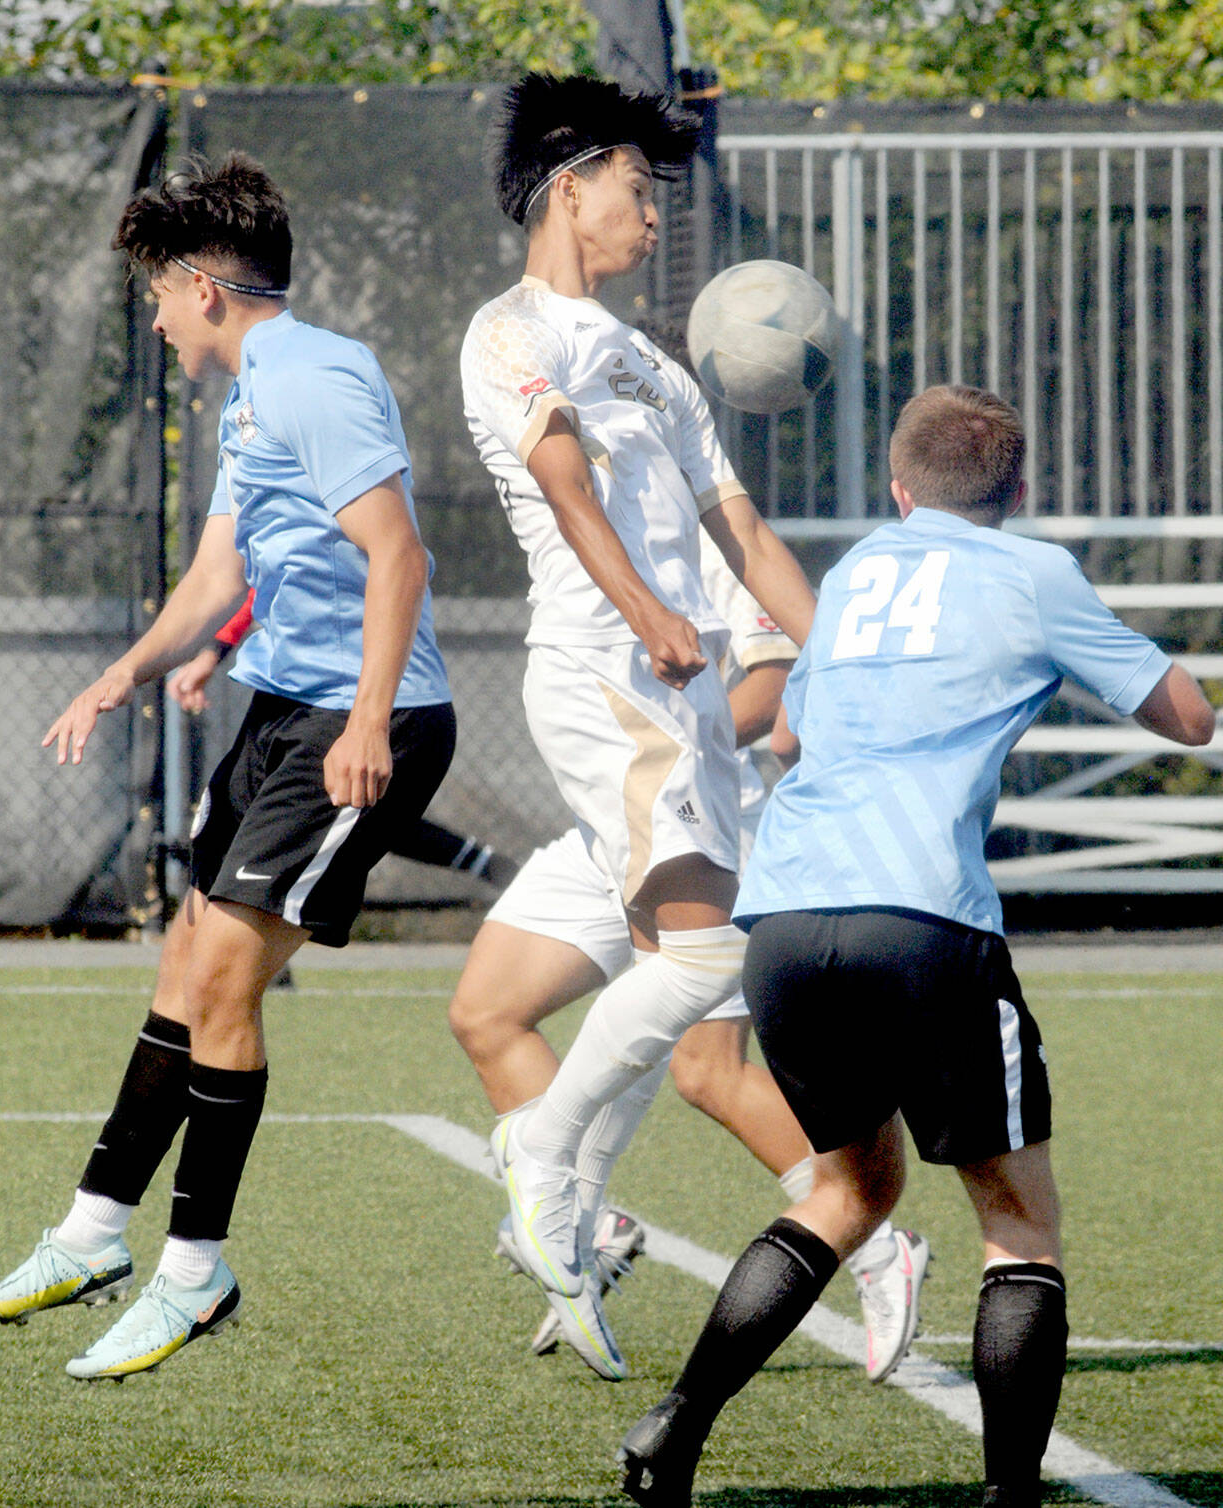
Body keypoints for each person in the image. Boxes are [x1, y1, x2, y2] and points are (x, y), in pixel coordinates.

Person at [617, 384, 1215, 1507]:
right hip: (924, 918)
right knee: (1017, 1220)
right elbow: (1185, 715)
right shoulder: (1031, 572)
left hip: (786, 922)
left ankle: (674, 1422)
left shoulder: (850, 574)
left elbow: (790, 731)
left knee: (848, 1188)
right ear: (1018, 490)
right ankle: (1007, 1496)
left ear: (899, 487)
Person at [0, 154, 456, 1381]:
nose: (156, 316)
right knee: (186, 963)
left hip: (356, 721)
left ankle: (194, 1271)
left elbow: (397, 557)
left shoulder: (313, 375)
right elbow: (218, 579)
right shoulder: (249, 394)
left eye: (158, 296)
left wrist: (368, 722)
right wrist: (124, 669)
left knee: (223, 984)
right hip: (284, 711)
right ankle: (89, 1234)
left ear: (202, 286)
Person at [459, 70, 817, 1306]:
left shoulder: (656, 367)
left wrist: (843, 666)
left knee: (690, 969)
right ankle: (548, 1155)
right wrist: (649, 611)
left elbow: (747, 535)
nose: (653, 217)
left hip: (684, 706)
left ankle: (559, 1173)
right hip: (605, 676)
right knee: (711, 964)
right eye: (633, 187)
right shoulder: (510, 332)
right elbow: (563, 480)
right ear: (569, 190)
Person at [449, 528, 928, 1382]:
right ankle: (591, 1227)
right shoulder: (586, 533)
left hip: (704, 826)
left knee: (708, 1070)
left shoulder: (711, 533)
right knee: (487, 1012)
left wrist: (667, 744)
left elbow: (774, 688)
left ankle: (876, 1245)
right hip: (609, 826)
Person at [168, 592, 518, 889]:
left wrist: (371, 724)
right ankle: (487, 864)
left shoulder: (362, 527)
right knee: (246, 837)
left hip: (345, 698)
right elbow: (247, 581)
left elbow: (400, 564)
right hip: (290, 696)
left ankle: (491, 866)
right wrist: (210, 651)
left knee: (357, 805)